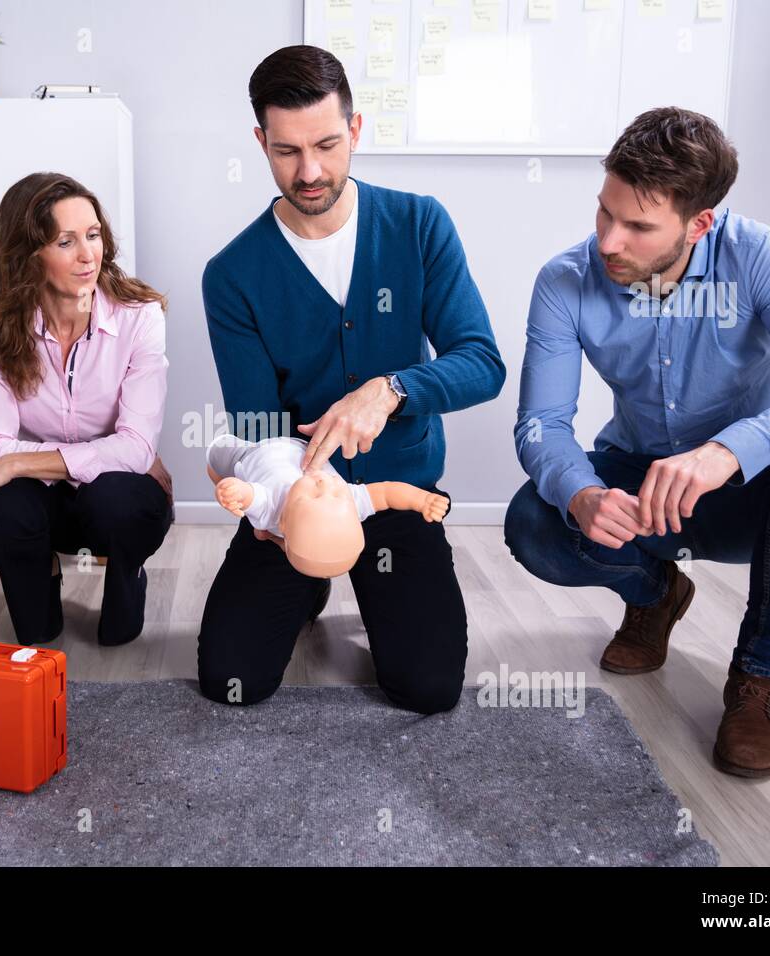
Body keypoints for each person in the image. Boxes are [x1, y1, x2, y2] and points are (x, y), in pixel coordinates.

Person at [504, 107, 770, 777]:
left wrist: (731, 449)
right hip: (640, 482)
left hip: (751, 492)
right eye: (604, 213)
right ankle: (653, 597)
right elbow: (542, 426)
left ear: (699, 223)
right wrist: (584, 492)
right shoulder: (565, 281)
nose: (608, 242)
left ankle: (758, 678)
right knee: (535, 519)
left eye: (638, 227)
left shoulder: (757, 253)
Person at [198, 46, 506, 714]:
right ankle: (310, 581)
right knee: (233, 679)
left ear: (357, 130)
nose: (309, 171)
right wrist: (276, 513)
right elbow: (255, 426)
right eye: (285, 151)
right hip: (295, 503)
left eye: (328, 144)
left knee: (426, 688)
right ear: (260, 141)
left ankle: (368, 575)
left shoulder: (419, 223)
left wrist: (392, 389)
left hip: (394, 498)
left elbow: (482, 361)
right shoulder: (232, 275)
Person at [0, 172, 173, 647]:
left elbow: (136, 450)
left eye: (93, 236)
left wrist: (18, 460)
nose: (87, 255)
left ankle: (127, 572)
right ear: (28, 254)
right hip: (41, 497)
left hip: (111, 497)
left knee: (121, 504)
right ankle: (42, 574)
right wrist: (105, 452)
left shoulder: (140, 316)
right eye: (65, 241)